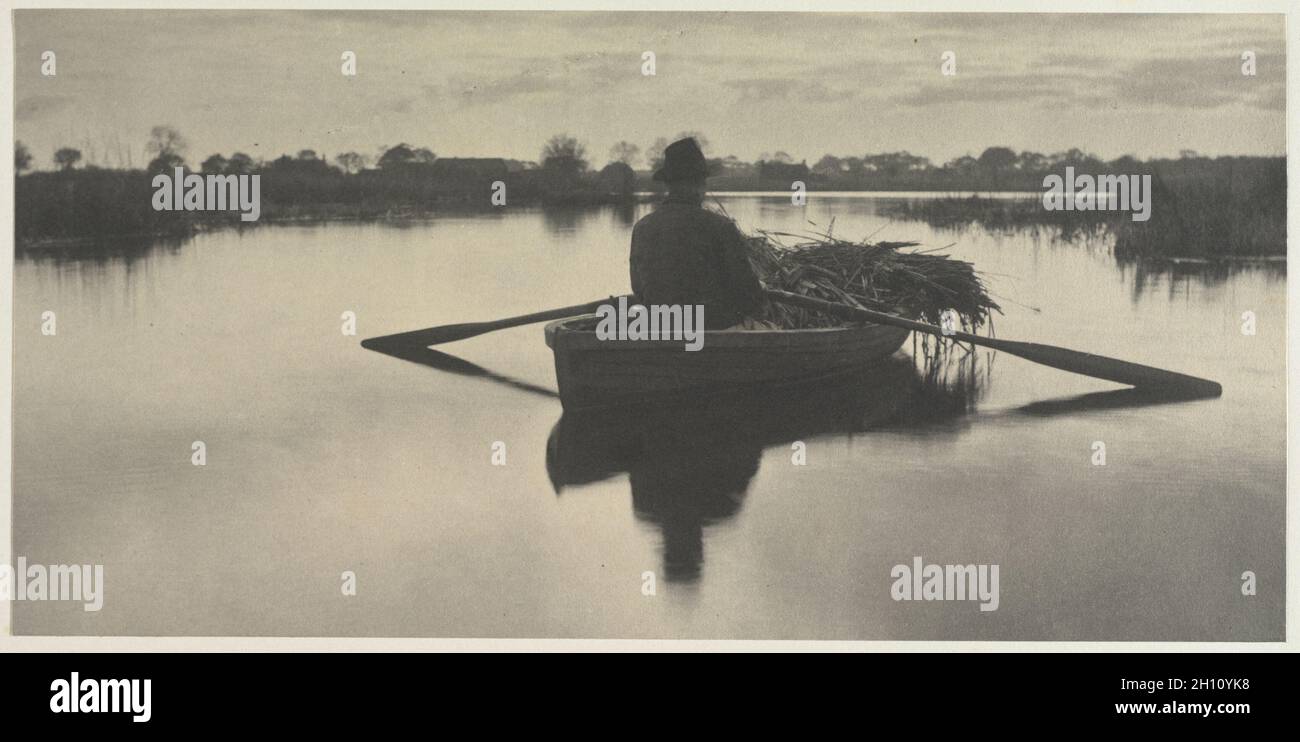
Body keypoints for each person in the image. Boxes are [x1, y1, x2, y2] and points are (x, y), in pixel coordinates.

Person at [630, 137, 772, 331]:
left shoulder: (641, 227)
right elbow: (748, 295)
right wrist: (759, 293)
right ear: (700, 183)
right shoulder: (720, 227)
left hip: (659, 326)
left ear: (668, 185)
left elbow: (638, 289)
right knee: (770, 328)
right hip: (712, 329)